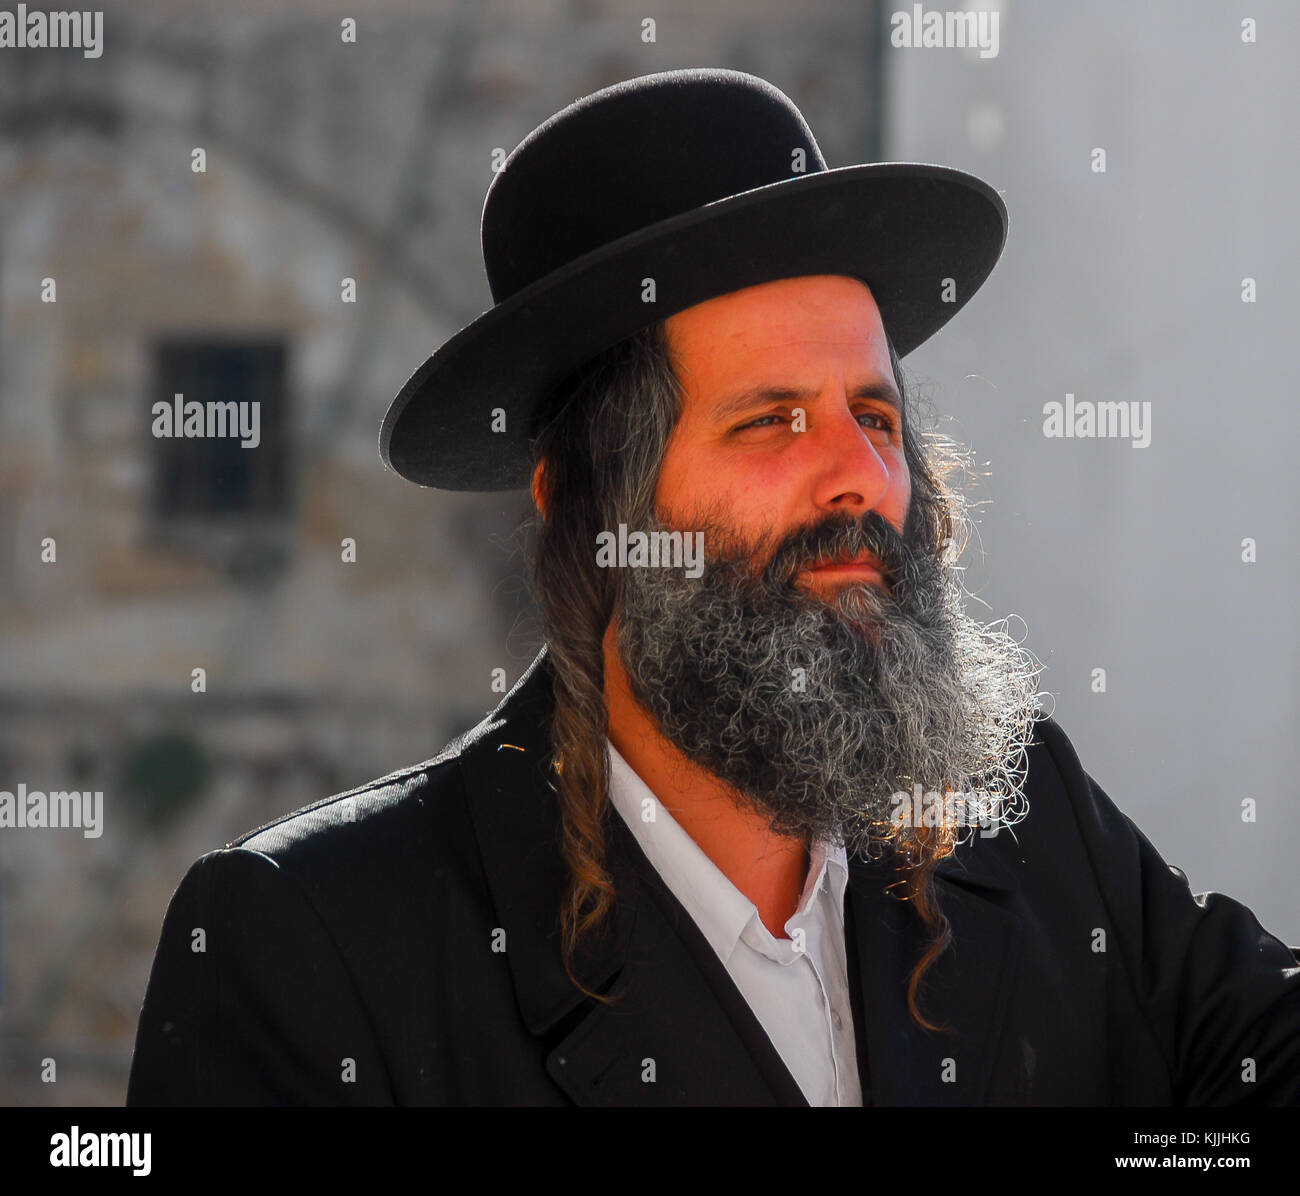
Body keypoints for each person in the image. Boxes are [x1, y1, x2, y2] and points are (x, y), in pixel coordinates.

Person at [126, 67, 1300, 1107]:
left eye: (873, 413)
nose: (859, 475)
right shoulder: (319, 946)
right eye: (771, 419)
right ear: (592, 512)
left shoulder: (1018, 815)